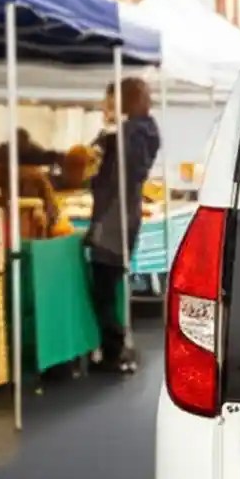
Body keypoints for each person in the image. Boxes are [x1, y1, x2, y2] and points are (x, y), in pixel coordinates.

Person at [87, 77, 160, 374]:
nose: (105, 106)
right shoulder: (142, 132)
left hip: (113, 222)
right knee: (110, 287)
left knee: (104, 290)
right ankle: (115, 347)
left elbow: (109, 172)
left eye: (109, 100)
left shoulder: (128, 135)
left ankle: (114, 350)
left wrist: (109, 131)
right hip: (122, 218)